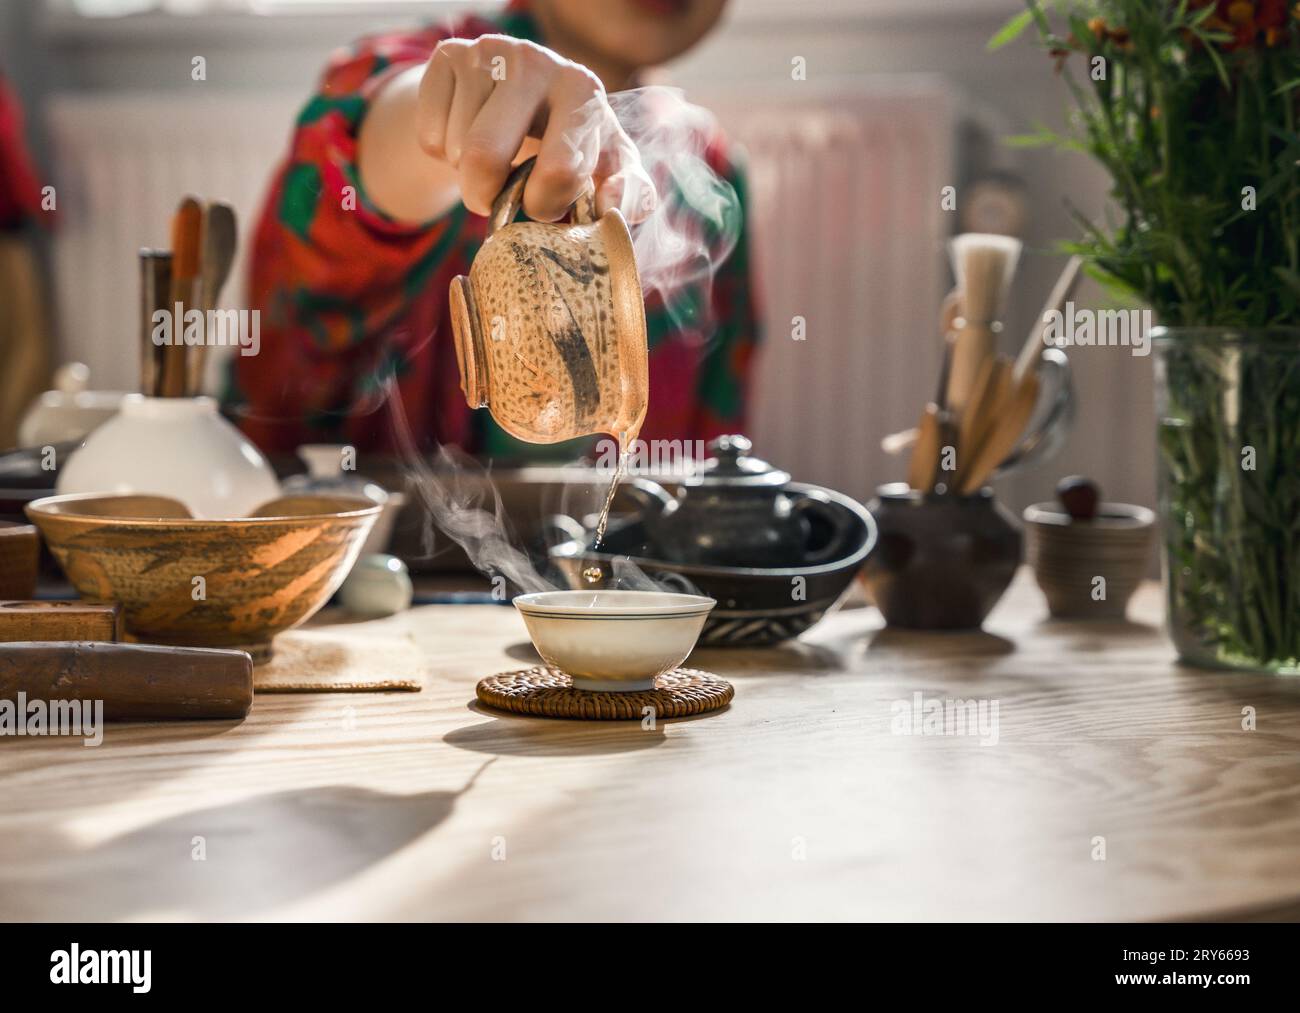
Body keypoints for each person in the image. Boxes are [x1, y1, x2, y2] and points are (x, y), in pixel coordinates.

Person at [226, 0, 759, 461]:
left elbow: (708, 449)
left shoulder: (708, 171)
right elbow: (371, 155)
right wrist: (456, 120)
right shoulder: (418, 72)